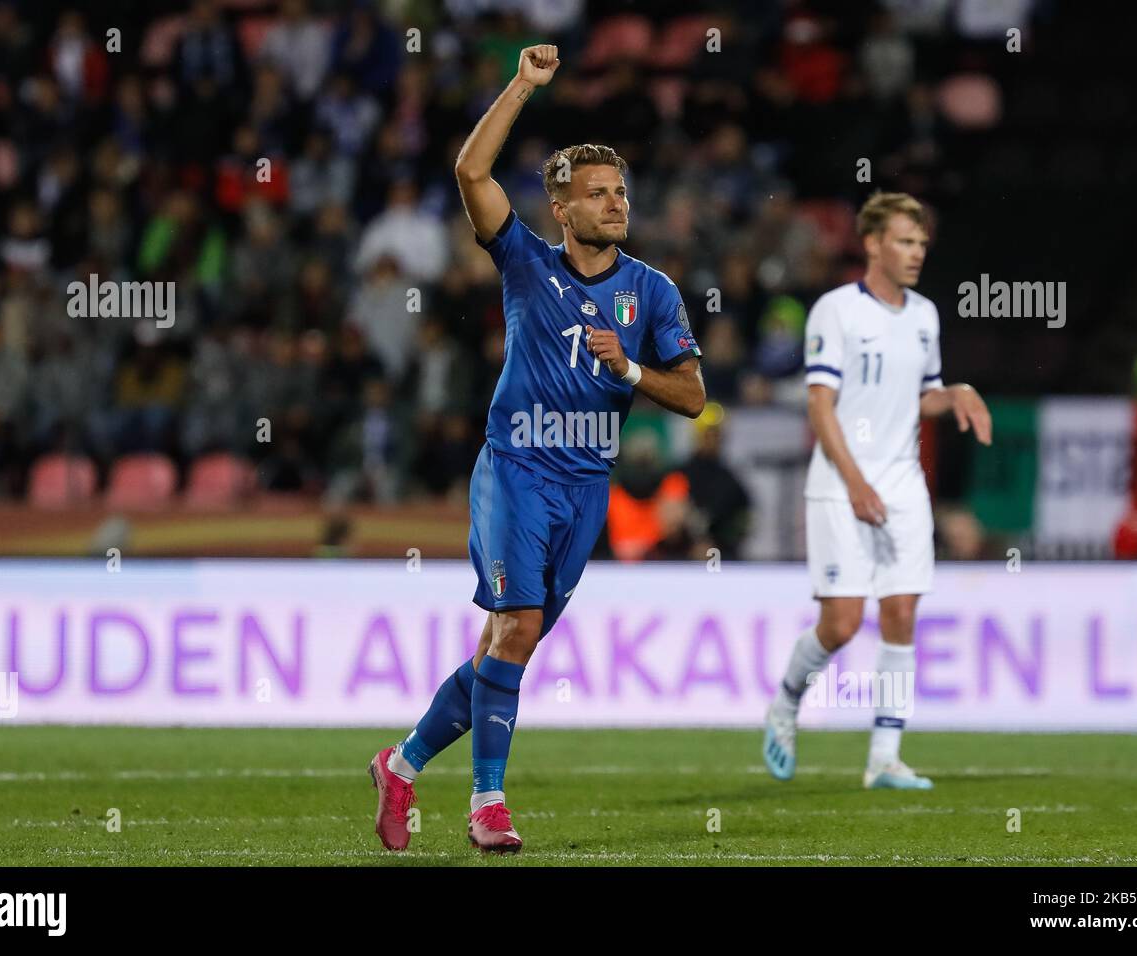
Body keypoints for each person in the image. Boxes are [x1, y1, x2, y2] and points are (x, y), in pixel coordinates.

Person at [367, 45, 705, 853]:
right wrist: (523, 84)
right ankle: (488, 803)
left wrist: (630, 368)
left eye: (621, 190)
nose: (616, 203)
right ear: (562, 210)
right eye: (597, 194)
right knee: (517, 628)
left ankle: (401, 765)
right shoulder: (524, 264)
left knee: (501, 646)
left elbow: (693, 396)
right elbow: (470, 174)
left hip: (588, 486)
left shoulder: (651, 292)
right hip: (516, 467)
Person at [763, 192, 991, 790]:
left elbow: (923, 396)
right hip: (842, 484)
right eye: (905, 242)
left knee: (902, 612)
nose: (916, 254)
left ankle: (884, 757)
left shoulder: (924, 316)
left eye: (921, 243)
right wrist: (857, 481)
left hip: (903, 485)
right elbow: (820, 404)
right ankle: (786, 704)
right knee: (840, 625)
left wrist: (957, 392)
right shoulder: (836, 311)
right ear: (872, 244)